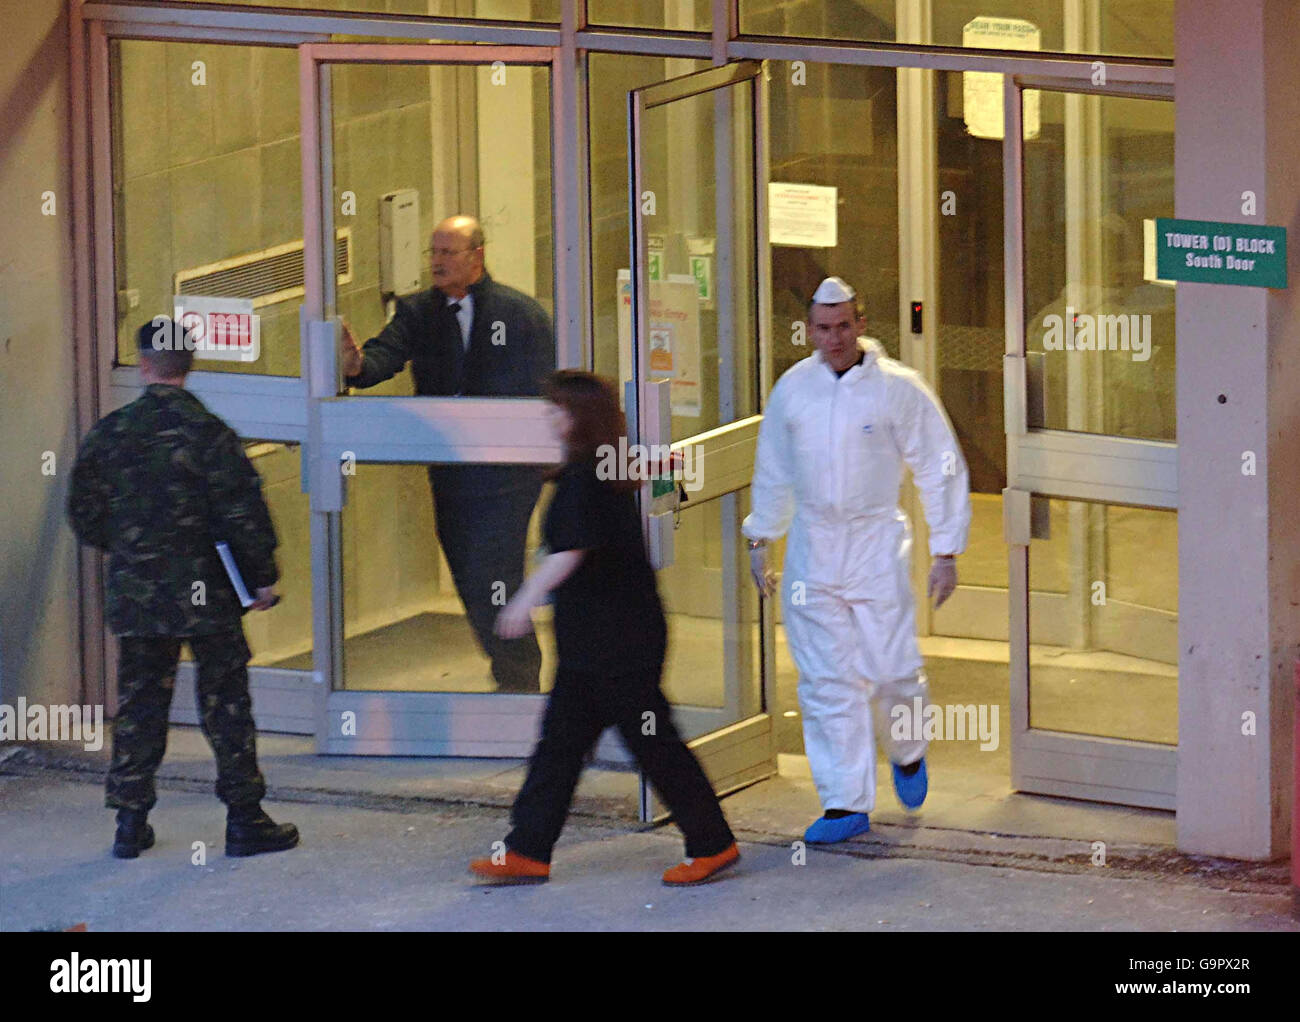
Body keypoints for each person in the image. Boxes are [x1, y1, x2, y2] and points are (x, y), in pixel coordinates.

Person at [469, 371, 740, 885]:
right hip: (599, 640)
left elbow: (569, 551)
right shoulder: (596, 468)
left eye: (558, 408)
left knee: (651, 740)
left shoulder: (583, 479)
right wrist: (658, 469)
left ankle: (713, 843)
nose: (549, 416)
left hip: (616, 642)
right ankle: (527, 847)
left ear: (578, 419)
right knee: (561, 743)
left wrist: (520, 603)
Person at [744, 277, 971, 844]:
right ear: (810, 331)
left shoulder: (898, 389)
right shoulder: (793, 391)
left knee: (893, 668)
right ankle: (845, 801)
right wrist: (760, 537)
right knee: (827, 680)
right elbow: (774, 468)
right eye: (823, 328)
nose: (834, 337)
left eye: (843, 325)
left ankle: (909, 749)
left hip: (874, 544)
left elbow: (939, 464)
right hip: (813, 547)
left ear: (860, 324)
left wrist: (946, 550)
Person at [67, 318, 298, 860]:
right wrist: (262, 578)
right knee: (225, 703)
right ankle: (245, 818)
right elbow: (243, 514)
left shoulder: (111, 433)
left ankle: (130, 822)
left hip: (139, 593)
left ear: (145, 363)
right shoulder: (210, 433)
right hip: (208, 594)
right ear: (188, 363)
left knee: (141, 702)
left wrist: (132, 550)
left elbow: (84, 515)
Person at [340, 214, 556, 693]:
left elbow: (548, 387)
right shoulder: (419, 314)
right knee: (467, 570)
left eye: (447, 253)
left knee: (495, 570)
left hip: (506, 474)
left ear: (476, 256)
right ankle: (512, 671)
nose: (436, 263)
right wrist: (355, 365)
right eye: (432, 253)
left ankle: (518, 680)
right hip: (452, 473)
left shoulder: (519, 315)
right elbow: (383, 358)